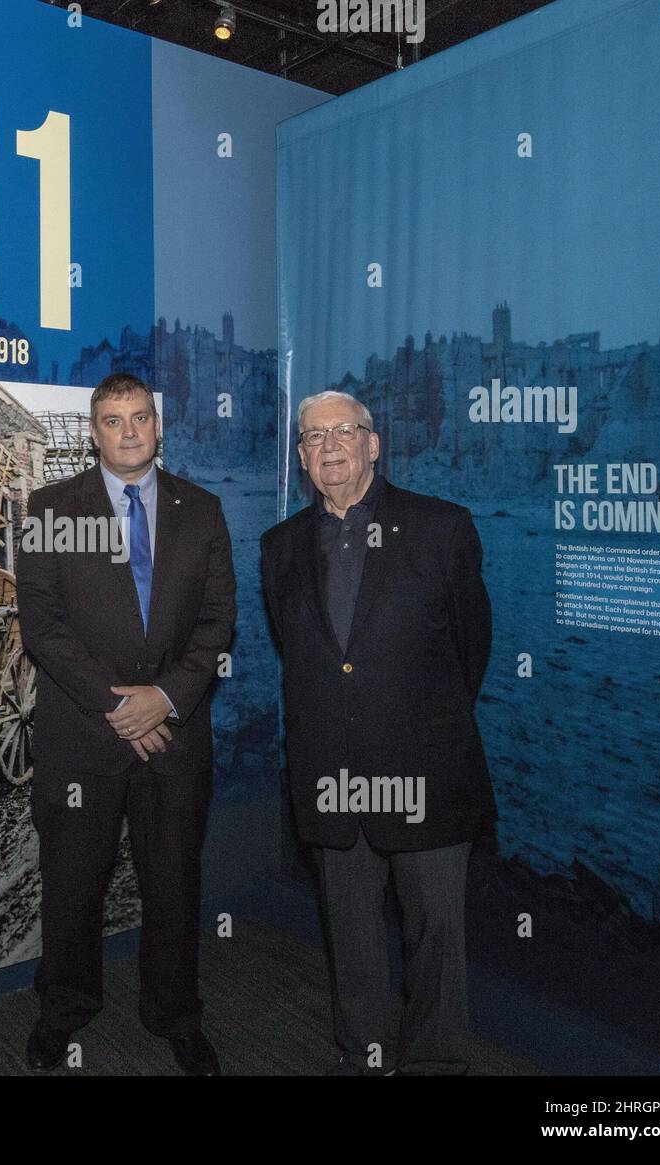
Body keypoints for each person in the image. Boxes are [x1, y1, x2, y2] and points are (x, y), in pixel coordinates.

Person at [259, 390, 496, 1076]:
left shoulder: (442, 528)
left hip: (426, 772)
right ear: (301, 456)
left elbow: (467, 651)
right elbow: (307, 657)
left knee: (436, 939)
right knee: (353, 938)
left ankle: (435, 1063)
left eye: (343, 431)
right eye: (312, 437)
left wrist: (409, 719)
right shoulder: (278, 549)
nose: (328, 446)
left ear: (373, 443)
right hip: (331, 776)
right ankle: (362, 1055)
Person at [16, 372, 236, 1076]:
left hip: (173, 739)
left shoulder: (202, 510)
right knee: (73, 886)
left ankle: (176, 1014)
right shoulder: (50, 507)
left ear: (157, 425)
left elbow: (217, 623)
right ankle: (65, 1009)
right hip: (83, 740)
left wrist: (164, 698)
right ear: (93, 432)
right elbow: (43, 629)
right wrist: (120, 706)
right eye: (113, 420)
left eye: (140, 417)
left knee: (173, 886)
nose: (129, 431)